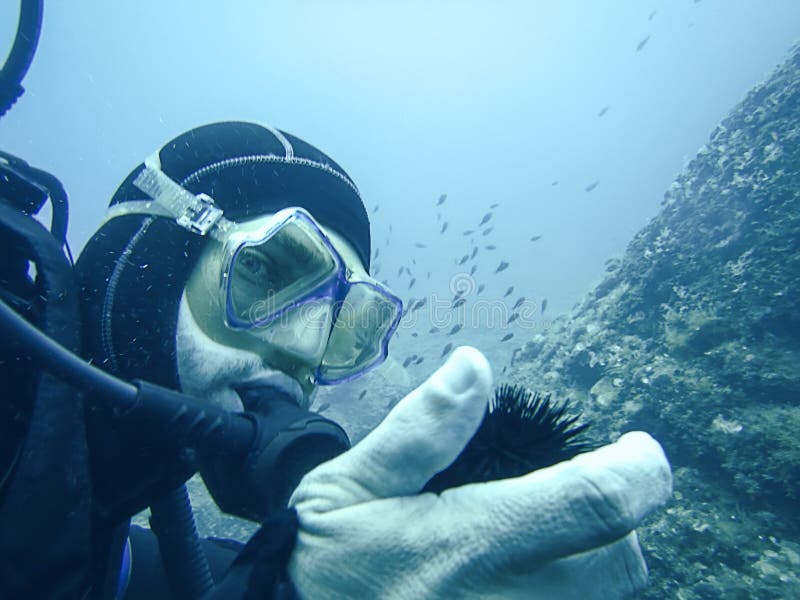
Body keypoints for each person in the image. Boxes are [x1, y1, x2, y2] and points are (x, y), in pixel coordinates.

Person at [3, 121, 672, 598]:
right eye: (265, 271)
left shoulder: (104, 531)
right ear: (145, 268)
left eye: (341, 327)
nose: (301, 351)